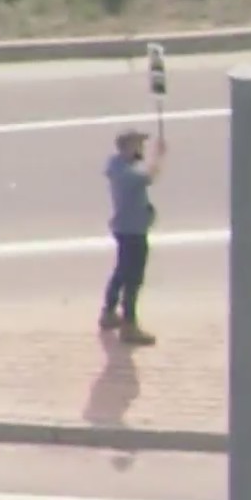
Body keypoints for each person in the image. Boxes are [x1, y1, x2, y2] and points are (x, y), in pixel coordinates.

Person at [101, 128, 165, 346]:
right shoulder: (127, 173)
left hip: (125, 227)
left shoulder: (117, 165)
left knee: (121, 272)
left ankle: (109, 312)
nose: (142, 148)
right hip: (132, 230)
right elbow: (149, 177)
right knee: (133, 278)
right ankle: (129, 325)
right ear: (128, 147)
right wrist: (158, 155)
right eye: (138, 144)